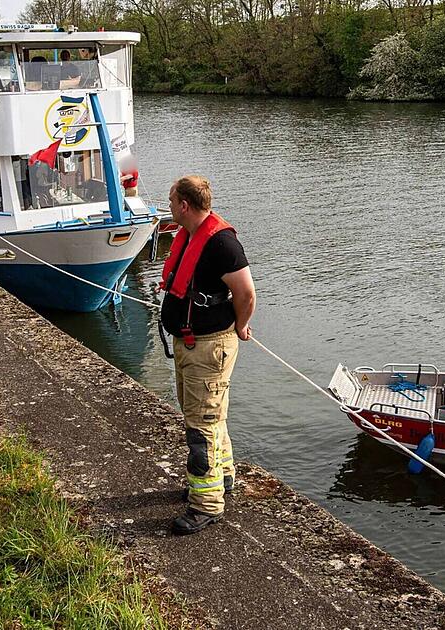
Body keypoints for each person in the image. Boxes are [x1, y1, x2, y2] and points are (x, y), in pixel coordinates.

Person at [160, 175, 255, 536]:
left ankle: (206, 504)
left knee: (201, 427)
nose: (169, 207)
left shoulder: (223, 244)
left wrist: (242, 326)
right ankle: (223, 476)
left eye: (171, 201)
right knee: (210, 417)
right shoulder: (189, 236)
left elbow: (246, 294)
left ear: (184, 205)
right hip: (191, 344)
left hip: (209, 347)